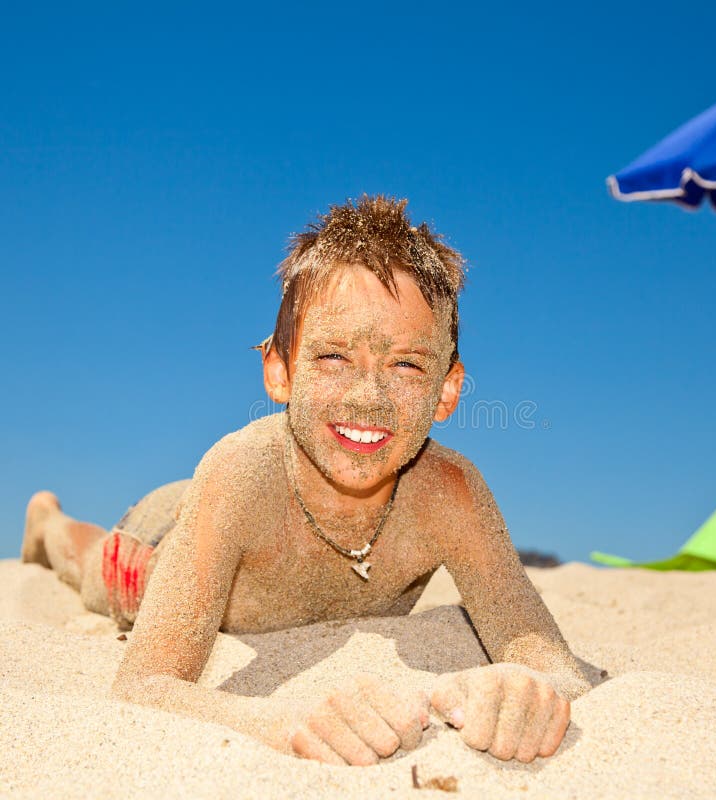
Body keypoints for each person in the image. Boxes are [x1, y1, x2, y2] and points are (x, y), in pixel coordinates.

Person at [21, 196, 595, 767]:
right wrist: (278, 721)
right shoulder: (238, 475)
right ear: (280, 371)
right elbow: (142, 686)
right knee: (96, 570)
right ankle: (47, 522)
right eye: (333, 357)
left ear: (447, 389)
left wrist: (527, 687)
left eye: (406, 365)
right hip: (162, 539)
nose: (368, 397)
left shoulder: (450, 493)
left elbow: (553, 664)